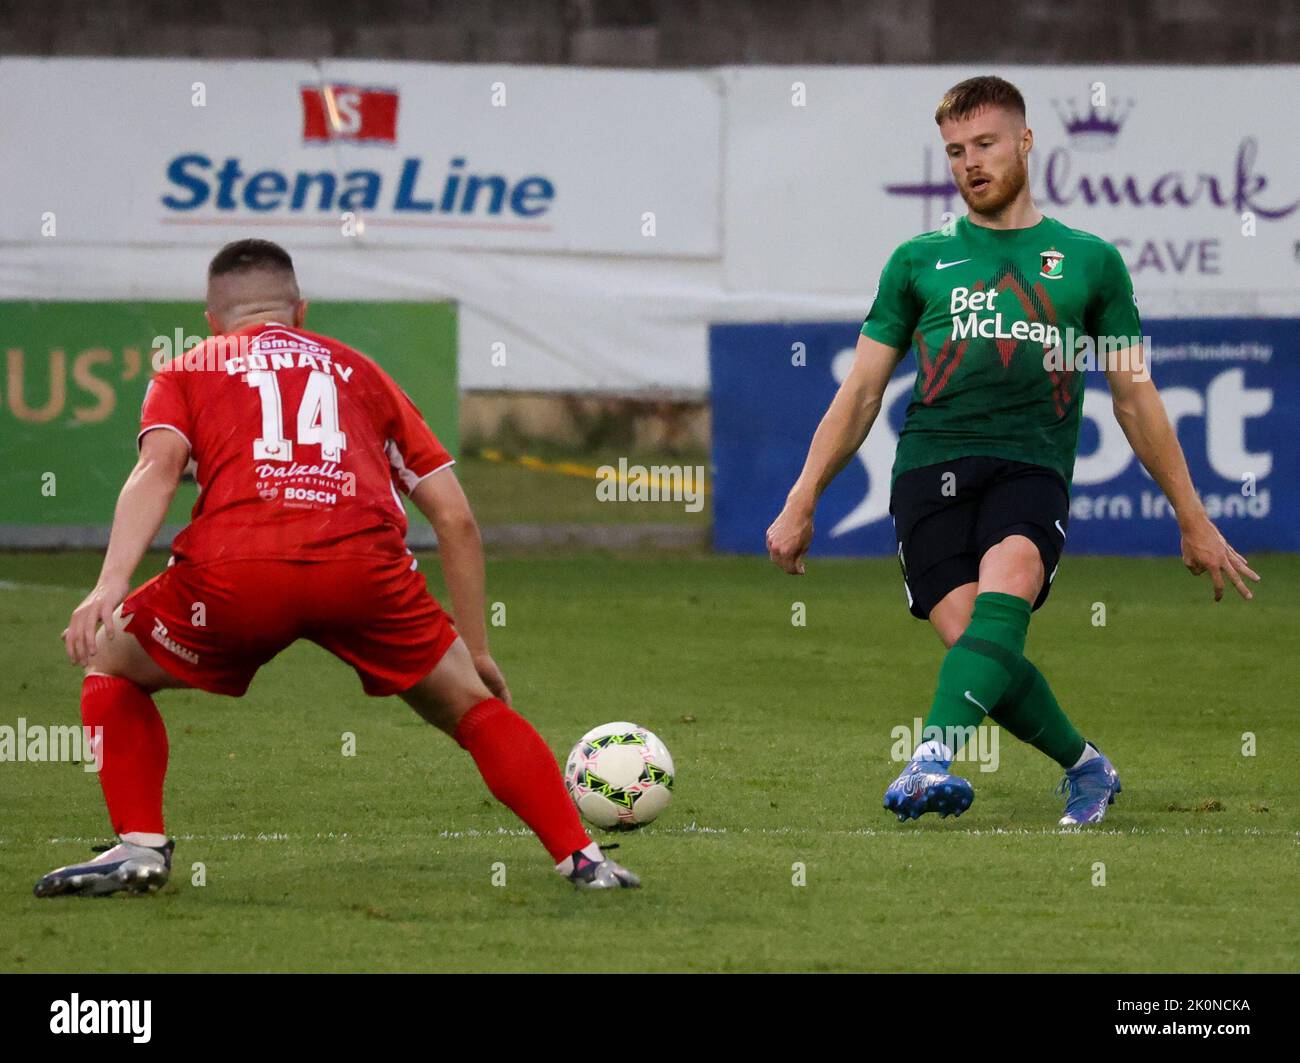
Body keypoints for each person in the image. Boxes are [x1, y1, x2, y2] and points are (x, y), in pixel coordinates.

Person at [38, 238, 637, 896]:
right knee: (470, 705)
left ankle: (139, 847)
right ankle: (584, 860)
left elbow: (156, 471)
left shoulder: (189, 366)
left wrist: (109, 584)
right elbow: (456, 517)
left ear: (212, 318)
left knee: (113, 665)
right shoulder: (362, 371)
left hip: (236, 572)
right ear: (301, 309)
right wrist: (478, 646)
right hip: (363, 568)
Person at [765, 76, 1259, 826]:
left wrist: (1191, 514)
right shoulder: (916, 261)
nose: (970, 163)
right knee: (978, 653)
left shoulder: (1090, 261)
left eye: (986, 144)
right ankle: (1088, 767)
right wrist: (804, 497)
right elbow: (862, 392)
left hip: (1031, 467)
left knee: (1012, 579)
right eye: (955, 151)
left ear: (1026, 143)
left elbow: (1134, 395)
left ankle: (929, 759)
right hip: (928, 471)